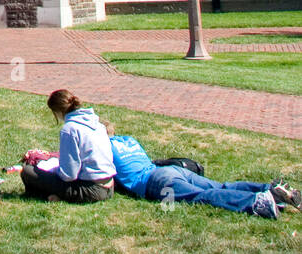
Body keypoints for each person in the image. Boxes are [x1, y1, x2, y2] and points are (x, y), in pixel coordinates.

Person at [105, 125, 301, 220]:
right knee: (220, 185)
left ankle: (256, 203)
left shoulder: (105, 148)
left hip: (154, 181)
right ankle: (270, 189)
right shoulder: (129, 140)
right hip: (169, 170)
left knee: (202, 196)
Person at [19, 89, 116, 203]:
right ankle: (56, 195)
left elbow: (69, 175)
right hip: (110, 185)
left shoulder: (70, 129)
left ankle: (50, 195)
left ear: (57, 112)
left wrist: (53, 170)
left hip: (91, 189)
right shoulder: (97, 124)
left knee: (27, 171)